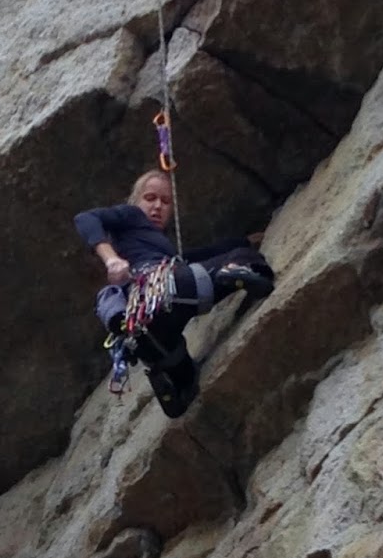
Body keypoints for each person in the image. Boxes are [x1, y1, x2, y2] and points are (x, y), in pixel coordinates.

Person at [74, 170, 274, 416]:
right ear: (135, 201)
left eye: (166, 201)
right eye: (150, 198)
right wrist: (111, 259)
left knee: (183, 371)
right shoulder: (130, 216)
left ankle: (174, 382)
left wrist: (242, 242)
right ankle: (235, 273)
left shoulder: (162, 249)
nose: (157, 206)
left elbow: (196, 257)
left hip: (147, 323)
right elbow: (85, 218)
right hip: (163, 288)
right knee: (234, 265)